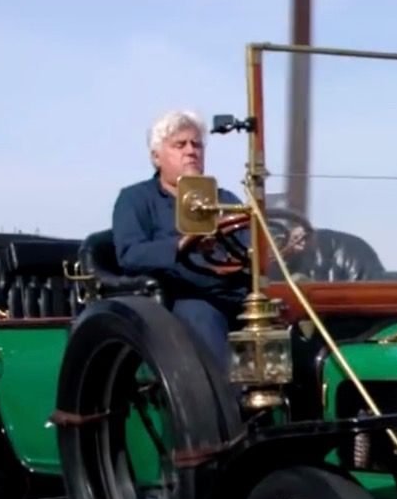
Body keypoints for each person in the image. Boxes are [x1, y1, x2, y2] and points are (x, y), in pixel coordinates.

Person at [111, 109, 290, 369]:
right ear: (156, 156)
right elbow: (130, 254)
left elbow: (249, 243)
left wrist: (275, 249)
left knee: (289, 310)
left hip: (239, 293)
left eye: (196, 144)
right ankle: (226, 405)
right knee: (202, 316)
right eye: (179, 145)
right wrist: (180, 244)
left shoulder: (225, 199)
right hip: (186, 297)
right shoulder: (135, 199)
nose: (191, 151)